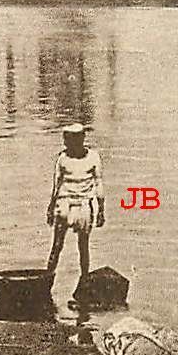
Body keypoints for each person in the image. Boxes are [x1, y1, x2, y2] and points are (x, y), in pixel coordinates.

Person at [47, 123, 105, 296]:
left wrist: (101, 209)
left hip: (77, 203)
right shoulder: (69, 158)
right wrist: (101, 210)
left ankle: (51, 280)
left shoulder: (67, 158)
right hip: (68, 203)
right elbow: (98, 184)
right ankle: (82, 280)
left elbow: (57, 184)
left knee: (59, 246)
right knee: (79, 246)